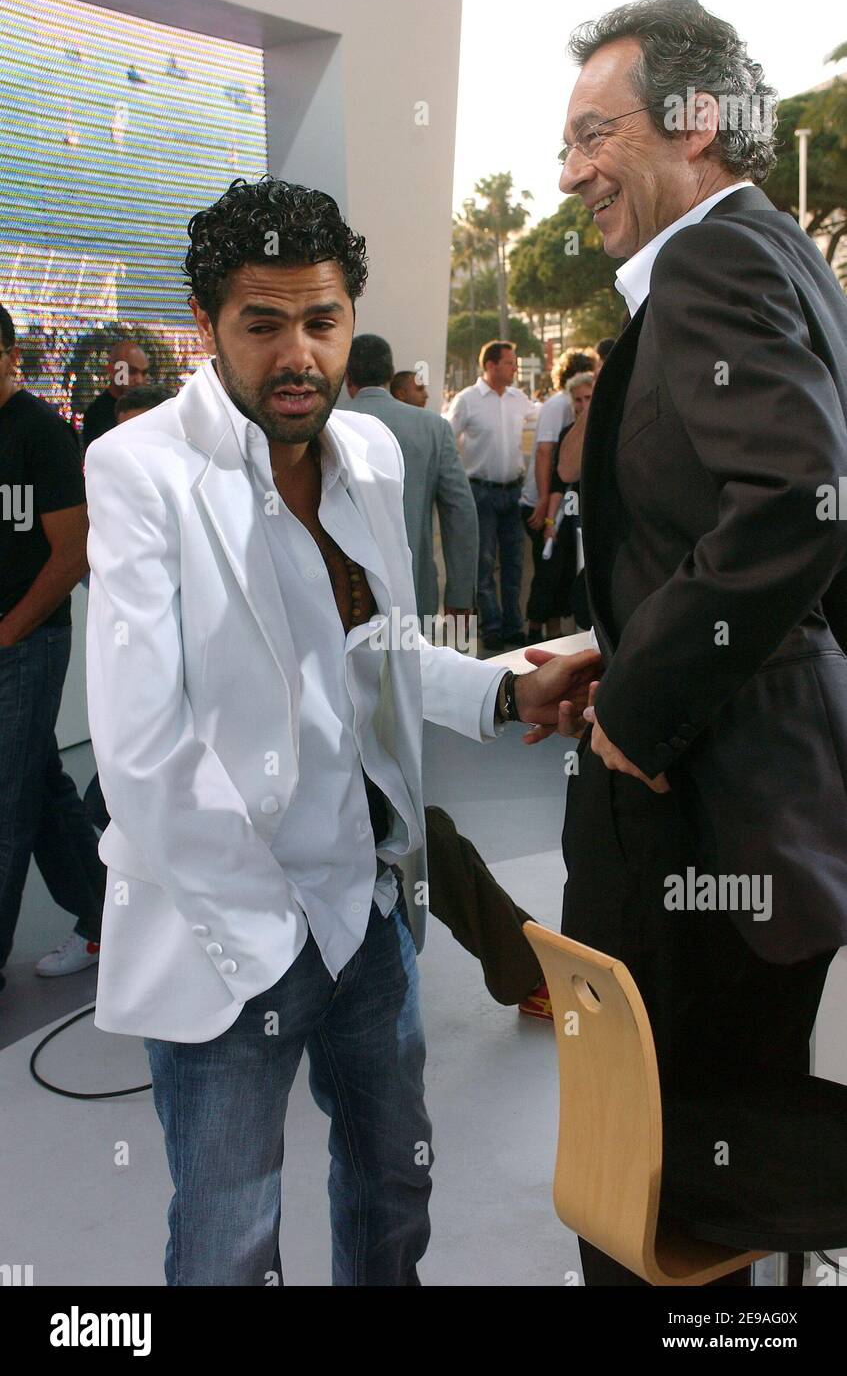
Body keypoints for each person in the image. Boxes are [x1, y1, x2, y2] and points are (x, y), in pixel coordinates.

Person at [83, 175, 603, 1286]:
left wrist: (508, 693)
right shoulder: (140, 473)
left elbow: (375, 649)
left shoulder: (364, 456)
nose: (297, 354)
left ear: (351, 322)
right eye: (261, 324)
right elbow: (142, 758)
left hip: (371, 908)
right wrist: (274, 942)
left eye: (321, 321)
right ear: (206, 327)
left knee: (392, 1188)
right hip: (231, 937)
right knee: (228, 1237)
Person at [555, 0, 847, 1286]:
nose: (568, 174)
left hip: (709, 818)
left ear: (696, 126)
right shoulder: (776, 256)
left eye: (589, 135)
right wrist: (623, 651)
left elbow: (792, 494)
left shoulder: (717, 259)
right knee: (701, 1167)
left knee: (657, 1182)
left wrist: (635, 709)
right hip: (757, 806)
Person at [0, 303, 104, 990]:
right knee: (38, 785)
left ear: (8, 352)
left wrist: (7, 633)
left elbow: (73, 553)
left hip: (28, 645)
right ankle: (107, 917)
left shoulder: (39, 434)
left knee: (7, 801)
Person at [346, 334, 478, 627]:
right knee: (417, 670)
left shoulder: (326, 426)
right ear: (390, 375)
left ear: (346, 375)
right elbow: (460, 511)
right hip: (414, 591)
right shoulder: (433, 427)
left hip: (342, 598)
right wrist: (459, 593)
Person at [446, 341, 534, 650]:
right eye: (510, 363)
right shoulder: (467, 400)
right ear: (491, 366)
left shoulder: (519, 399)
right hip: (480, 492)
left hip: (514, 491)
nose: (514, 369)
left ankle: (513, 625)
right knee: (483, 563)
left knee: (513, 564)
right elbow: (448, 438)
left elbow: (536, 432)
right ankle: (492, 625)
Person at [520, 350, 596, 644]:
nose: (583, 404)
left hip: (588, 517)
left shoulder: (604, 429)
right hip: (565, 515)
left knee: (571, 579)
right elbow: (557, 481)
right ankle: (536, 633)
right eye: (578, 399)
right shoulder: (567, 432)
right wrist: (551, 520)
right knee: (550, 574)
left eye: (589, 398)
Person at [81, 339, 149, 448]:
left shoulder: (151, 409)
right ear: (112, 371)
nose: (139, 380)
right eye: (131, 371)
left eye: (144, 373)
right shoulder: (97, 414)